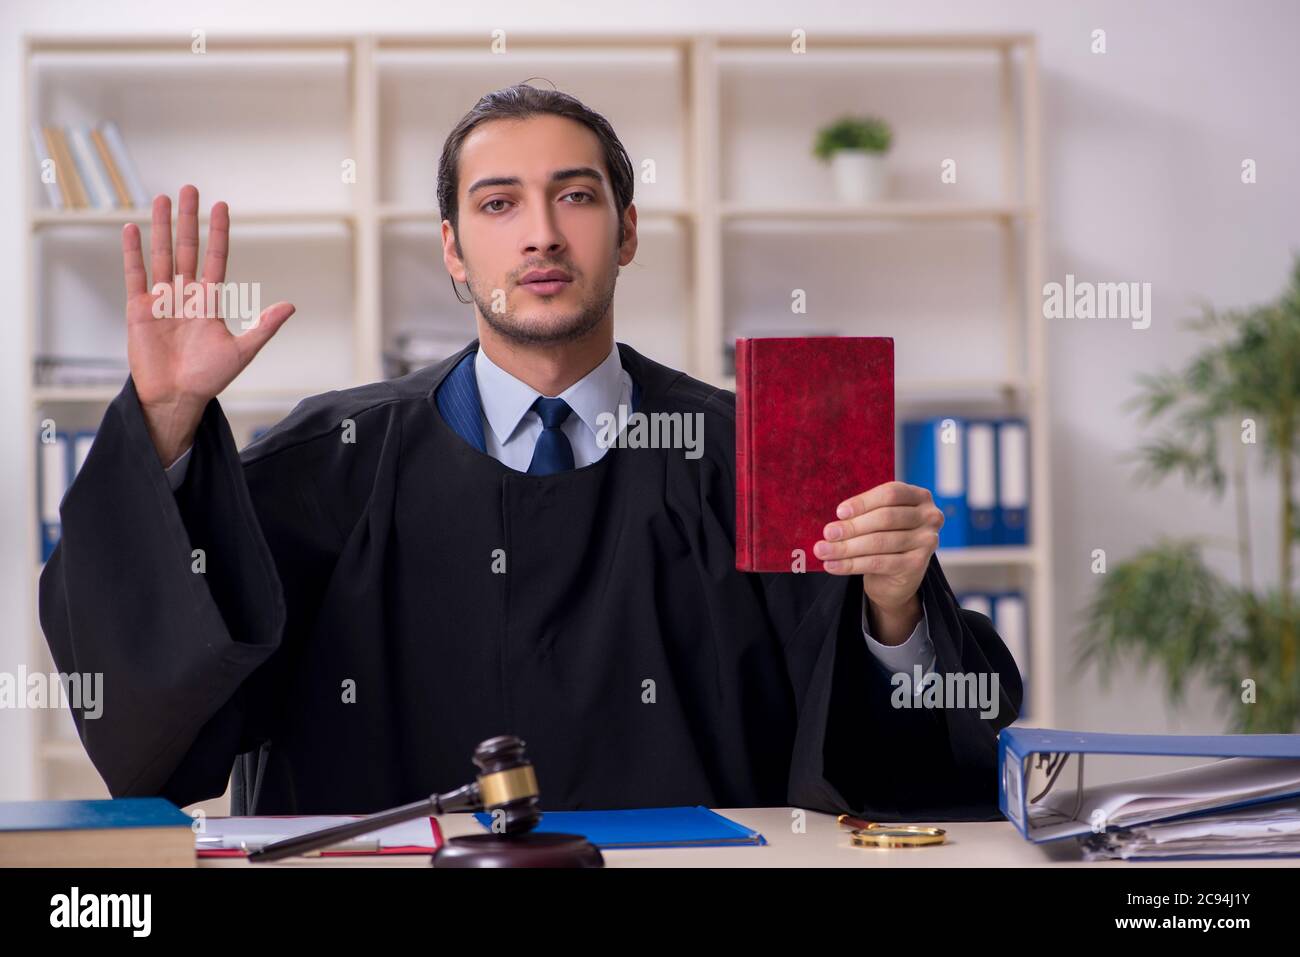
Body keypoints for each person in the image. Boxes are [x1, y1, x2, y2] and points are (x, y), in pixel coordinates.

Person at [39, 84, 1021, 820]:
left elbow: (889, 772)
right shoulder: (333, 459)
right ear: (455, 251)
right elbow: (165, 724)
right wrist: (165, 422)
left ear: (627, 231)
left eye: (577, 197)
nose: (542, 235)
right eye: (499, 203)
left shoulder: (757, 456)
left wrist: (892, 614)